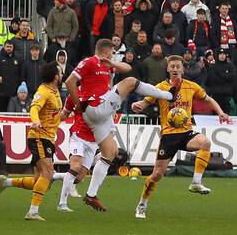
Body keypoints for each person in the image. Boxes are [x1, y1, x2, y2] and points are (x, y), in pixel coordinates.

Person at [64, 38, 173, 211]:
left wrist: (112, 63)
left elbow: (127, 68)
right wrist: (77, 103)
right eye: (112, 52)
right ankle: (167, 95)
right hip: (95, 107)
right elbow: (69, 81)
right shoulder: (89, 61)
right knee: (130, 82)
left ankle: (91, 195)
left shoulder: (106, 64)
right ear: (107, 50)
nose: (113, 55)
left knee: (110, 153)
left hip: (99, 117)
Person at [129, 54, 230, 219]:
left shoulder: (191, 86)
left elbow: (209, 100)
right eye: (172, 66)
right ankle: (142, 203)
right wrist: (138, 104)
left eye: (178, 66)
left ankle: (196, 182)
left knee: (205, 142)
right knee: (157, 174)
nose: (175, 69)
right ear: (168, 68)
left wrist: (220, 112)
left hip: (186, 133)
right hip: (168, 136)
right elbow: (145, 102)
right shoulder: (160, 87)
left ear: (183, 69)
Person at [0, 63, 64, 220]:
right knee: (48, 174)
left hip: (47, 138)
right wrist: (36, 120)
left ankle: (6, 182)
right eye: (59, 72)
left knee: (40, 180)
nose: (61, 74)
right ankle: (32, 212)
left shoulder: (55, 91)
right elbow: (34, 108)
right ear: (55, 76)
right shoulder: (43, 91)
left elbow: (56, 116)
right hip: (39, 136)